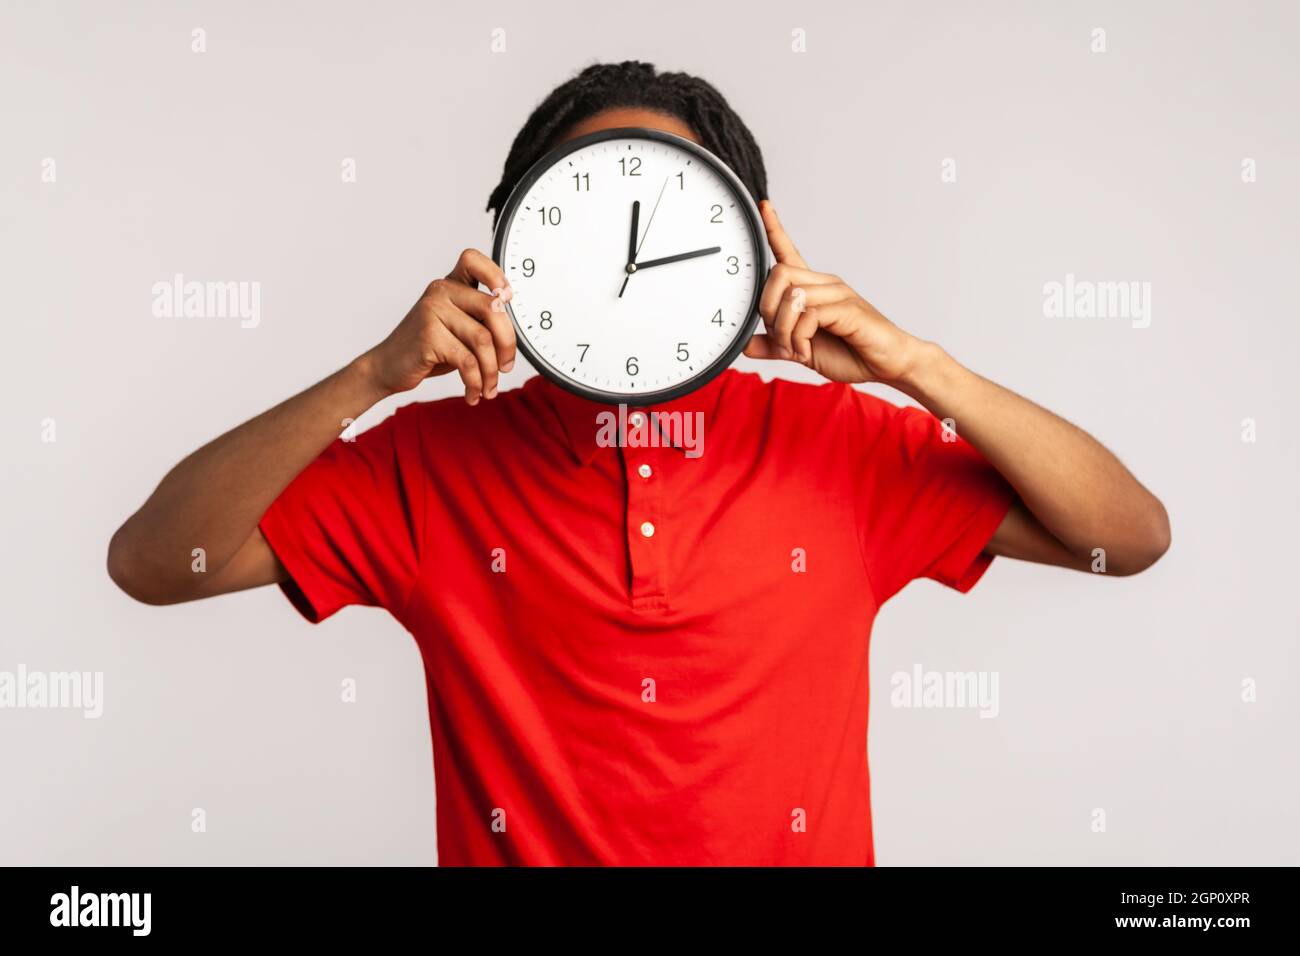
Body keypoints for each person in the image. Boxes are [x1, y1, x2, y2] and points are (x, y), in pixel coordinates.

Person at [107, 62, 1170, 865]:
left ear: (750, 256)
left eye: (672, 230)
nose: (622, 271)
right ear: (515, 251)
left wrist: (915, 366)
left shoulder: (844, 445)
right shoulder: (428, 461)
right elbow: (154, 562)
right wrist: (371, 375)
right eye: (578, 226)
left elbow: (1125, 537)